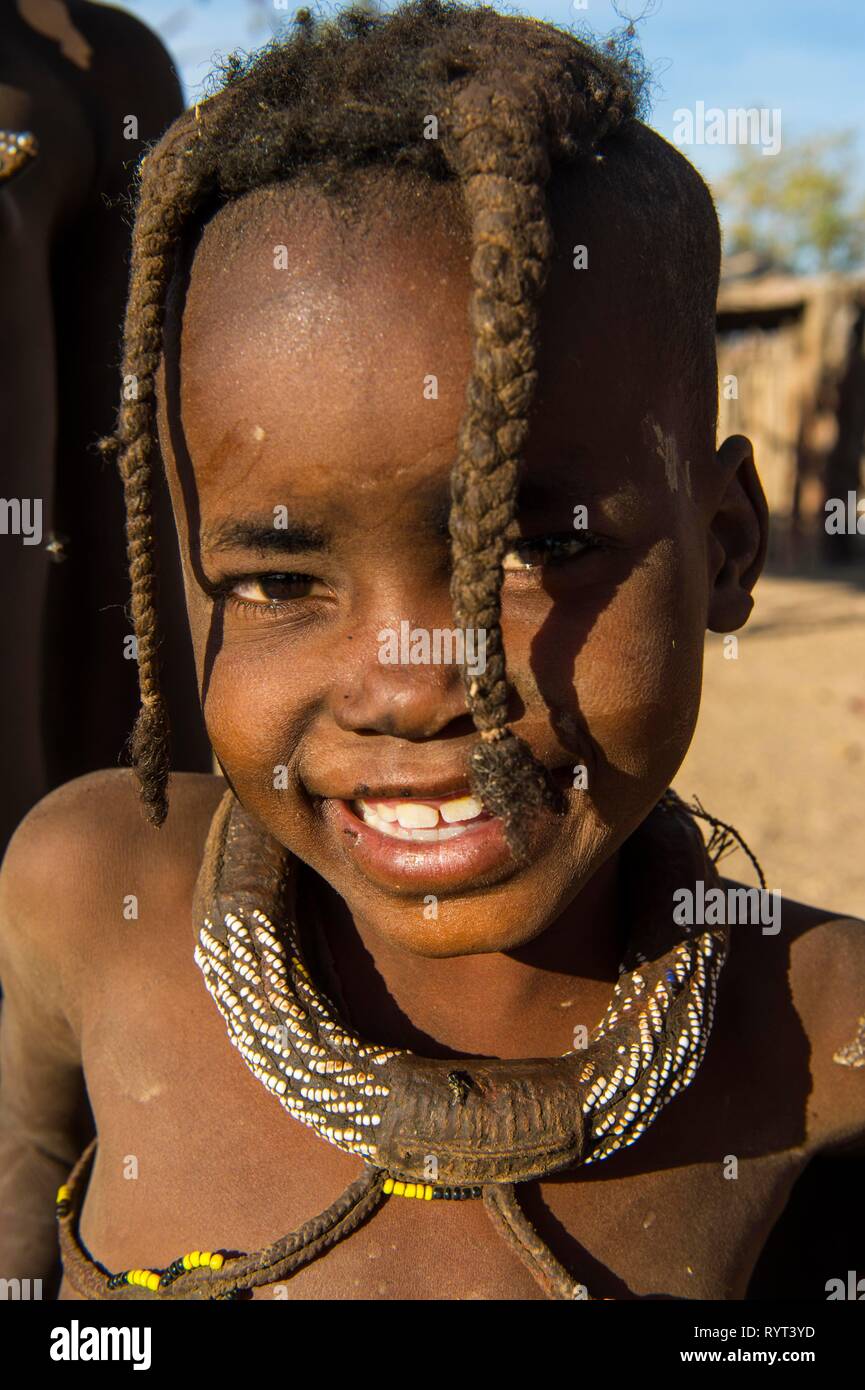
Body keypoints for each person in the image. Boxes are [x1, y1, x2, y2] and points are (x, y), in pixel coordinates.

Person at [1, 0, 862, 1301]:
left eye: (526, 549)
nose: (409, 685)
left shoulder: (830, 1041)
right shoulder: (84, 894)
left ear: (725, 550)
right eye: (281, 577)